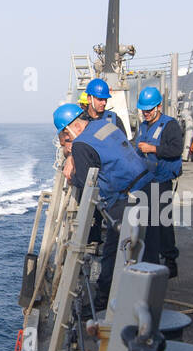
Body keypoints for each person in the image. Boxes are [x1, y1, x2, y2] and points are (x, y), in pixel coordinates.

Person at [54, 103, 152, 310]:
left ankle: (103, 301)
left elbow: (85, 182)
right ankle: (148, 290)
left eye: (66, 134)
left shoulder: (80, 144)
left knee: (114, 251)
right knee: (144, 243)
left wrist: (70, 174)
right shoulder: (103, 125)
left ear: (69, 128)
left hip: (124, 199)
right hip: (145, 185)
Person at [135, 86, 183, 278]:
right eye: (143, 110)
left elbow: (176, 150)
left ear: (158, 107)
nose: (146, 113)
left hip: (161, 180)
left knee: (163, 221)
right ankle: (150, 259)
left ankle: (170, 260)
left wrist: (152, 148)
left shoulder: (170, 125)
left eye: (149, 110)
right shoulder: (143, 125)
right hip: (145, 181)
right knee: (149, 223)